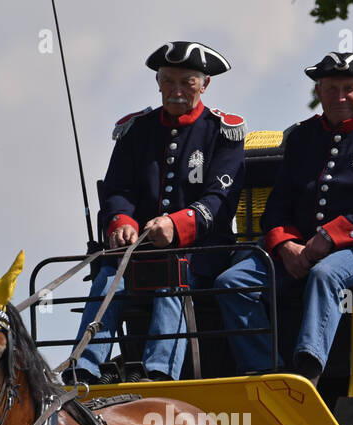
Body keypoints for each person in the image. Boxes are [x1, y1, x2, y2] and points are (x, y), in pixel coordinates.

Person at [214, 51, 353, 383]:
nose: (339, 97)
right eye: (330, 88)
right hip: (298, 247)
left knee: (325, 274)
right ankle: (266, 369)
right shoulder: (302, 137)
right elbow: (278, 205)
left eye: (348, 88)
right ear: (319, 92)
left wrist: (328, 238)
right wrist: (285, 246)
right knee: (230, 283)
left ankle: (308, 369)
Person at [65, 41, 245, 384]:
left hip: (202, 251)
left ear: (204, 84)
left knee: (171, 276)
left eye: (187, 82)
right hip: (139, 251)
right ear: (159, 82)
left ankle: (158, 371)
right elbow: (119, 189)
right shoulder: (137, 130)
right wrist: (122, 223)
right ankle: (83, 368)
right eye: (169, 81)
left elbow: (219, 200)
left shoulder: (223, 132)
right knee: (108, 277)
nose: (176, 91)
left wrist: (176, 225)